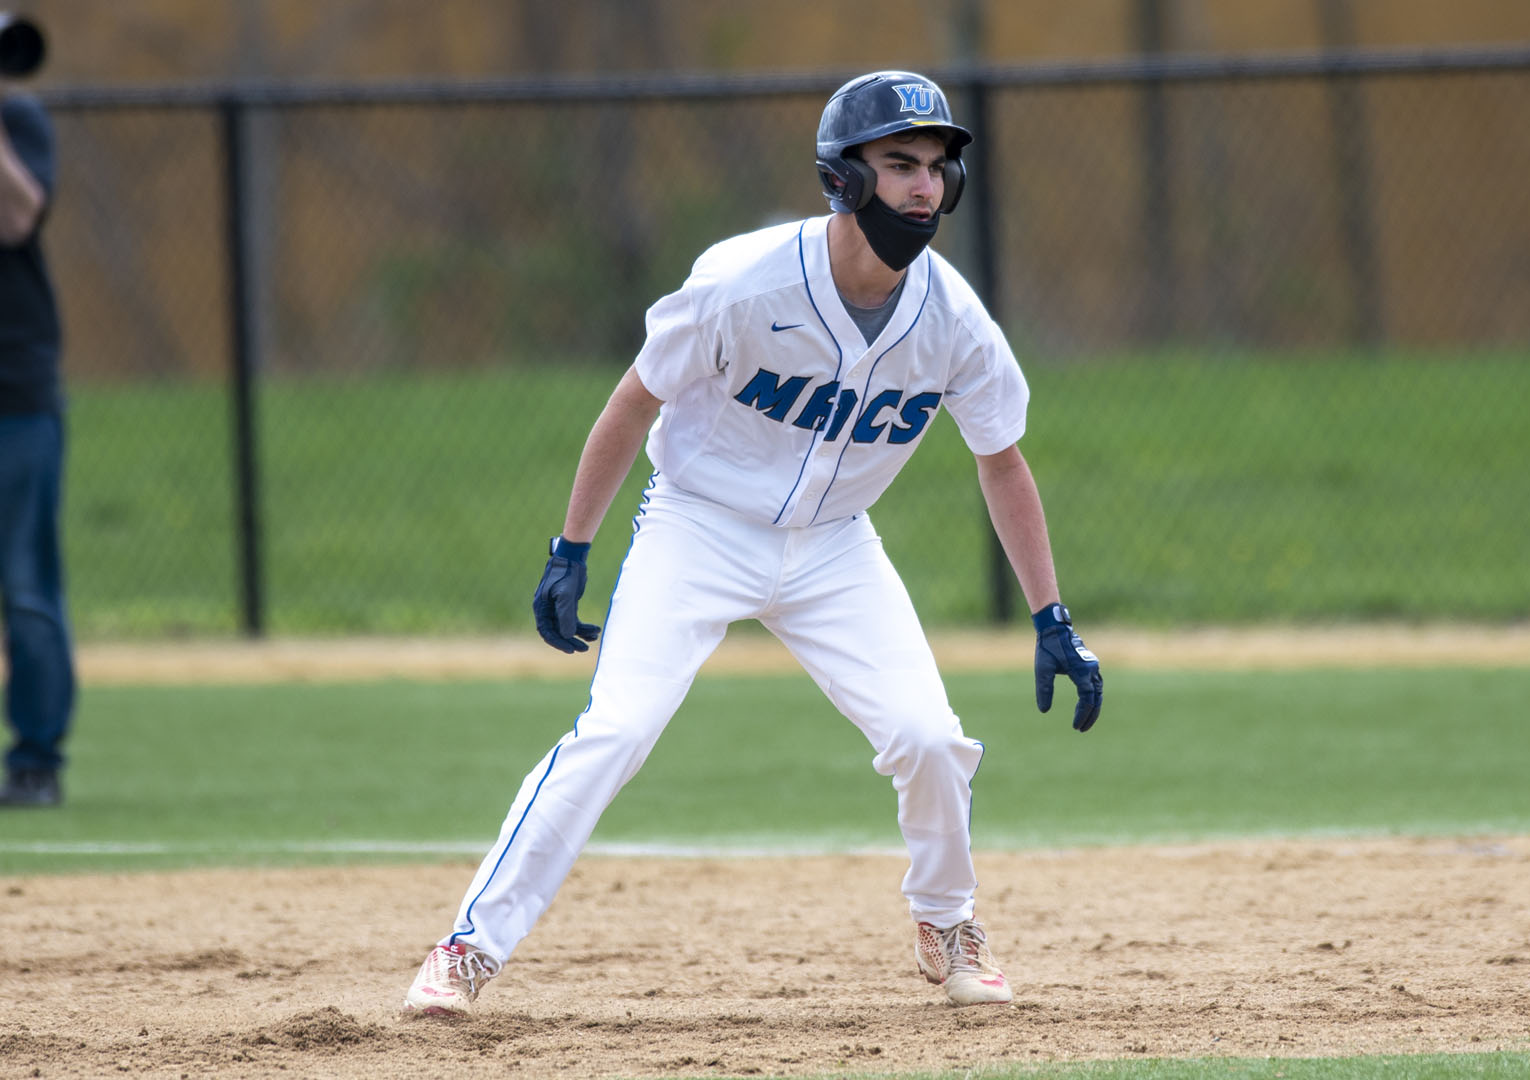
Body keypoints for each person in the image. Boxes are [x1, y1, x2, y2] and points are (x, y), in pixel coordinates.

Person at [402, 71, 1102, 1015]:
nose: (924, 185)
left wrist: (1051, 615)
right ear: (843, 177)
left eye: (937, 166)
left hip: (836, 547)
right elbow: (634, 399)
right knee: (616, 731)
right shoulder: (744, 282)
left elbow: (1002, 461)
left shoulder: (953, 321)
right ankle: (467, 949)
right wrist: (572, 547)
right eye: (900, 162)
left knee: (932, 738)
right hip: (697, 525)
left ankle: (947, 924)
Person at [0, 74, 69, 809]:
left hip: (15, 394)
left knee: (25, 585)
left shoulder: (18, 121)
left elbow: (17, 217)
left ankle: (36, 760)